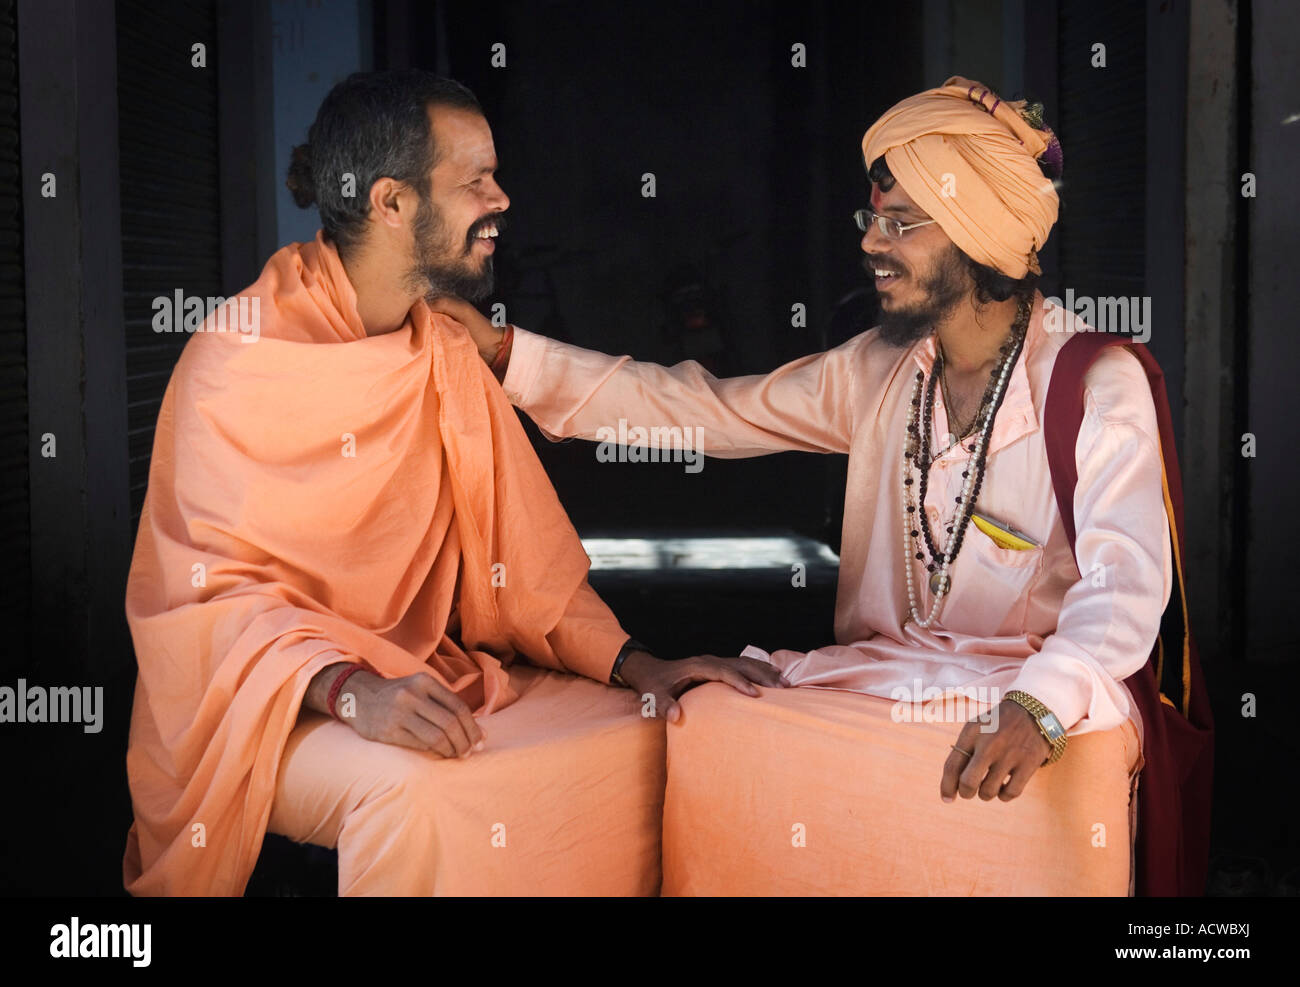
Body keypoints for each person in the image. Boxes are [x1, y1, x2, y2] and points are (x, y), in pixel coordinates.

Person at [435, 77, 1179, 895]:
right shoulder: (879, 371)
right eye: (872, 220)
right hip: (884, 678)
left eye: (901, 224)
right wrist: (510, 355)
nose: (871, 244)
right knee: (706, 719)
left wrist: (1041, 706)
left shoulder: (1092, 385)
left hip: (1033, 685)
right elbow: (704, 412)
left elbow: (1125, 583)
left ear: (979, 237)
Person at [121, 69, 781, 897]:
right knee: (422, 791)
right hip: (271, 703)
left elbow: (527, 567)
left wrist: (632, 663)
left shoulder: (441, 345)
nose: (501, 199)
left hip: (424, 671)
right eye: (476, 181)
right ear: (391, 202)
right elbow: (204, 605)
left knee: (656, 731)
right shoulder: (235, 359)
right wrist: (351, 688)